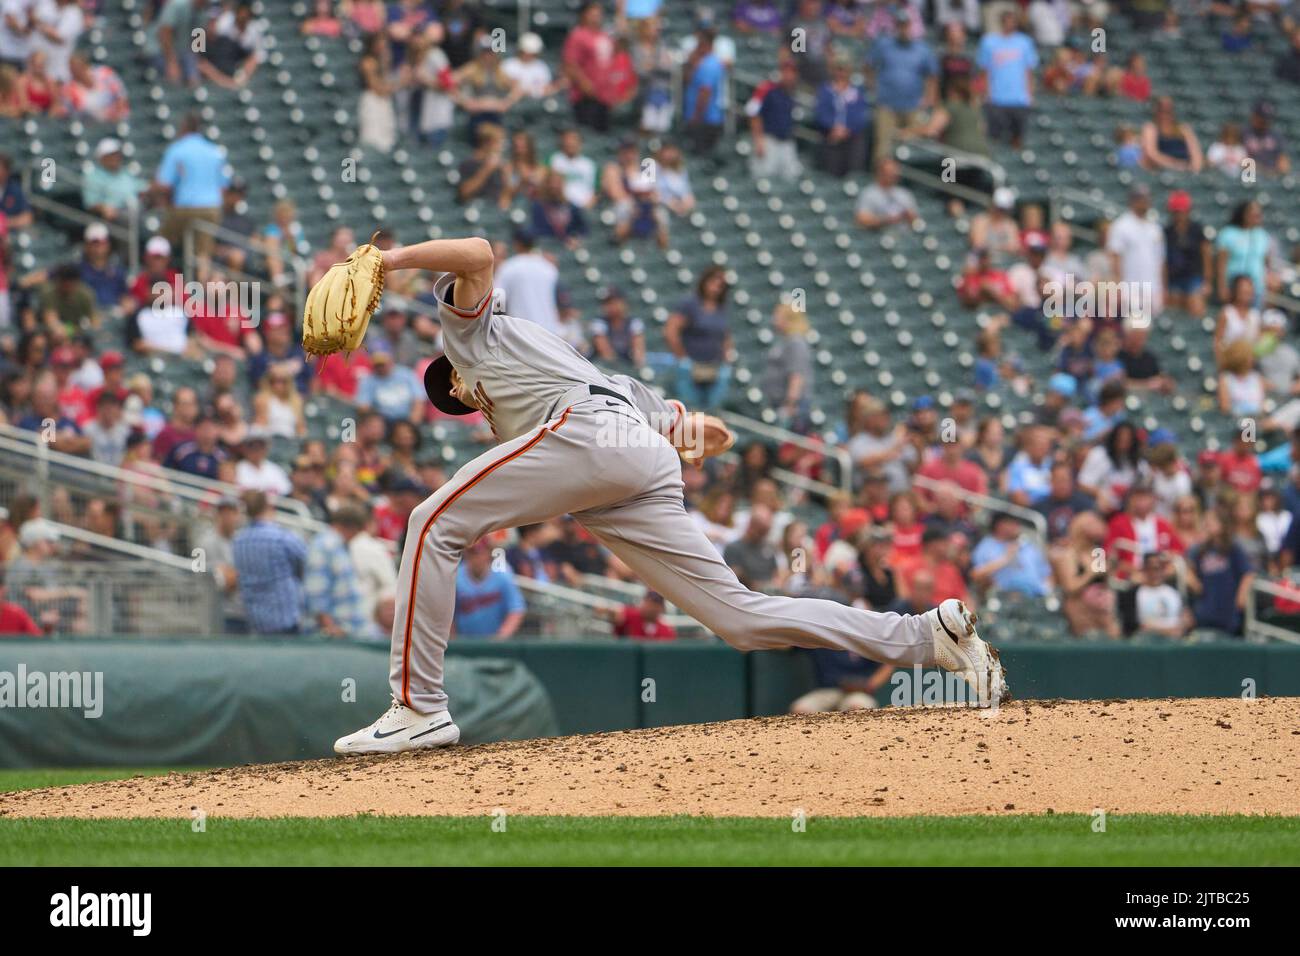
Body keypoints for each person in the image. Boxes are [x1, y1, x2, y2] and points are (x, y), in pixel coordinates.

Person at [327, 233, 1008, 753]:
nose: (454, 396)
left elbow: (479, 251)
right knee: (742, 619)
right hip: (632, 457)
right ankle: (928, 636)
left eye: (447, 389)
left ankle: (418, 708)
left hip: (593, 440)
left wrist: (390, 261)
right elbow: (697, 432)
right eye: (451, 399)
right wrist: (694, 433)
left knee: (430, 521)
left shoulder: (471, 336)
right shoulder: (561, 370)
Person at [153, 113, 229, 267]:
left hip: (185, 208)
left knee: (161, 242)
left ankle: (161, 279)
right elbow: (223, 186)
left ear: (184, 128)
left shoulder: (177, 149)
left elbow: (164, 184)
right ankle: (200, 289)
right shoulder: (214, 151)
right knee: (203, 254)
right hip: (212, 208)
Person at [231, 490, 307, 637]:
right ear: (268, 507)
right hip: (286, 618)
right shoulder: (281, 537)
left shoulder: (238, 540)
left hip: (256, 620)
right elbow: (305, 564)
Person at [868, 8, 938, 165]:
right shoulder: (884, 45)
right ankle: (880, 184)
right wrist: (872, 87)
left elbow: (932, 76)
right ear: (895, 26)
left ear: (910, 26)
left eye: (905, 24)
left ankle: (909, 185)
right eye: (900, 24)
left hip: (913, 106)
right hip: (887, 105)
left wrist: (929, 98)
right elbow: (869, 66)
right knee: (883, 148)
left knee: (913, 149)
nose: (903, 28)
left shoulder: (922, 49)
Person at [665, 265, 732, 411]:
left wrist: (726, 357)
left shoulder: (721, 308)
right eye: (713, 281)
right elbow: (671, 330)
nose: (717, 287)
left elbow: (725, 335)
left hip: (714, 367)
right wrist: (682, 358)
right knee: (689, 409)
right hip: (691, 367)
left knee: (712, 411)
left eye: (721, 284)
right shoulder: (690, 304)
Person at [305, 502, 374, 639]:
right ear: (352, 527)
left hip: (348, 630)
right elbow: (316, 590)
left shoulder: (338, 546)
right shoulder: (324, 546)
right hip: (335, 634)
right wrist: (330, 628)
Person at [976, 10, 1037, 149]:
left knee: (1018, 138)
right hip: (997, 98)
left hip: (1019, 98)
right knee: (995, 137)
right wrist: (986, 93)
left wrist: (1030, 94)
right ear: (1002, 22)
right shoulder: (989, 41)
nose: (1010, 24)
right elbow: (984, 71)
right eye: (1007, 20)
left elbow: (1029, 71)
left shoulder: (1024, 42)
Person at [1106, 184, 1165, 317]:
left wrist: (1162, 288)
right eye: (1140, 198)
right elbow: (1115, 257)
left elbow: (1160, 261)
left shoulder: (1155, 228)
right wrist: (1118, 286)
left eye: (1146, 198)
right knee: (1135, 329)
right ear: (1132, 201)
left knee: (1152, 331)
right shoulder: (1121, 226)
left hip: (1153, 288)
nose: (1144, 202)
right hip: (1130, 288)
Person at [453, 537, 526, 639]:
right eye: (471, 552)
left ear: (488, 552)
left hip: (496, 642)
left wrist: (500, 638)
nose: (475, 557)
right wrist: (454, 641)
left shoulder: (502, 573)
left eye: (479, 552)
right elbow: (448, 615)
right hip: (465, 643)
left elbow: (516, 609)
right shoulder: (456, 576)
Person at [970, 514, 1053, 598]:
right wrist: (1005, 559)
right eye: (1011, 522)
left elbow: (1046, 573)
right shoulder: (986, 546)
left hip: (1037, 596)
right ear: (999, 525)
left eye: (1017, 522)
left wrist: (1047, 591)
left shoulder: (1027, 545)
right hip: (1005, 597)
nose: (1016, 526)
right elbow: (976, 575)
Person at [746, 57, 801, 180]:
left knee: (791, 177)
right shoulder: (767, 88)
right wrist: (758, 140)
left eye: (793, 72)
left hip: (787, 142)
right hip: (768, 140)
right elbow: (752, 112)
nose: (789, 75)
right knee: (763, 177)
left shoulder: (792, 93)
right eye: (786, 71)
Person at [814, 56, 869, 177]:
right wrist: (833, 128)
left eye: (844, 69)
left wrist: (847, 130)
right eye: (838, 69)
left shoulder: (856, 92)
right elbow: (821, 113)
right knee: (830, 173)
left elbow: (861, 116)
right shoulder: (825, 90)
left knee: (853, 172)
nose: (841, 73)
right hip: (830, 137)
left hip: (852, 138)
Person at [761, 303, 813, 430]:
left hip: (789, 404)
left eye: (778, 317)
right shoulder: (787, 341)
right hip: (779, 402)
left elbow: (796, 375)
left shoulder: (796, 342)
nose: (774, 320)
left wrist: (790, 403)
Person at [1163, 190, 1210, 318]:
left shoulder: (1197, 230)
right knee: (1173, 308)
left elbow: (1206, 255)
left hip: (1193, 276)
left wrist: (1207, 281)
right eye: (1176, 212)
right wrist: (1164, 285)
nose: (1179, 215)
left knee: (1196, 305)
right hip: (1174, 277)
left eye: (1182, 211)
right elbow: (1164, 261)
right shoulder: (1167, 232)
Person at [682, 27, 726, 156]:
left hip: (705, 121)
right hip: (704, 119)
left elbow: (705, 92)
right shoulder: (703, 63)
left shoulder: (709, 64)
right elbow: (688, 80)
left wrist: (696, 116)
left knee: (700, 157)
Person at [1140, 95, 1203, 174]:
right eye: (1162, 109)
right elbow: (1151, 154)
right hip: (1160, 171)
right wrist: (1174, 165)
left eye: (1169, 109)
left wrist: (1194, 169)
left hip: (1185, 170)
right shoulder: (1151, 128)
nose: (1165, 113)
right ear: (1156, 110)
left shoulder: (1183, 129)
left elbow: (1196, 153)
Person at [855, 158, 918, 230]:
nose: (893, 175)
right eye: (889, 172)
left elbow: (916, 221)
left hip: (902, 236)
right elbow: (862, 219)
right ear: (880, 173)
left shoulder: (904, 194)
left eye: (894, 172)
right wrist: (887, 220)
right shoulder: (869, 193)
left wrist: (909, 217)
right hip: (876, 235)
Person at [610, 590, 676, 640]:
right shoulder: (630, 615)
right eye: (649, 603)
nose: (651, 608)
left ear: (662, 608)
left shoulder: (665, 631)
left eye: (655, 605)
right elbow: (615, 616)